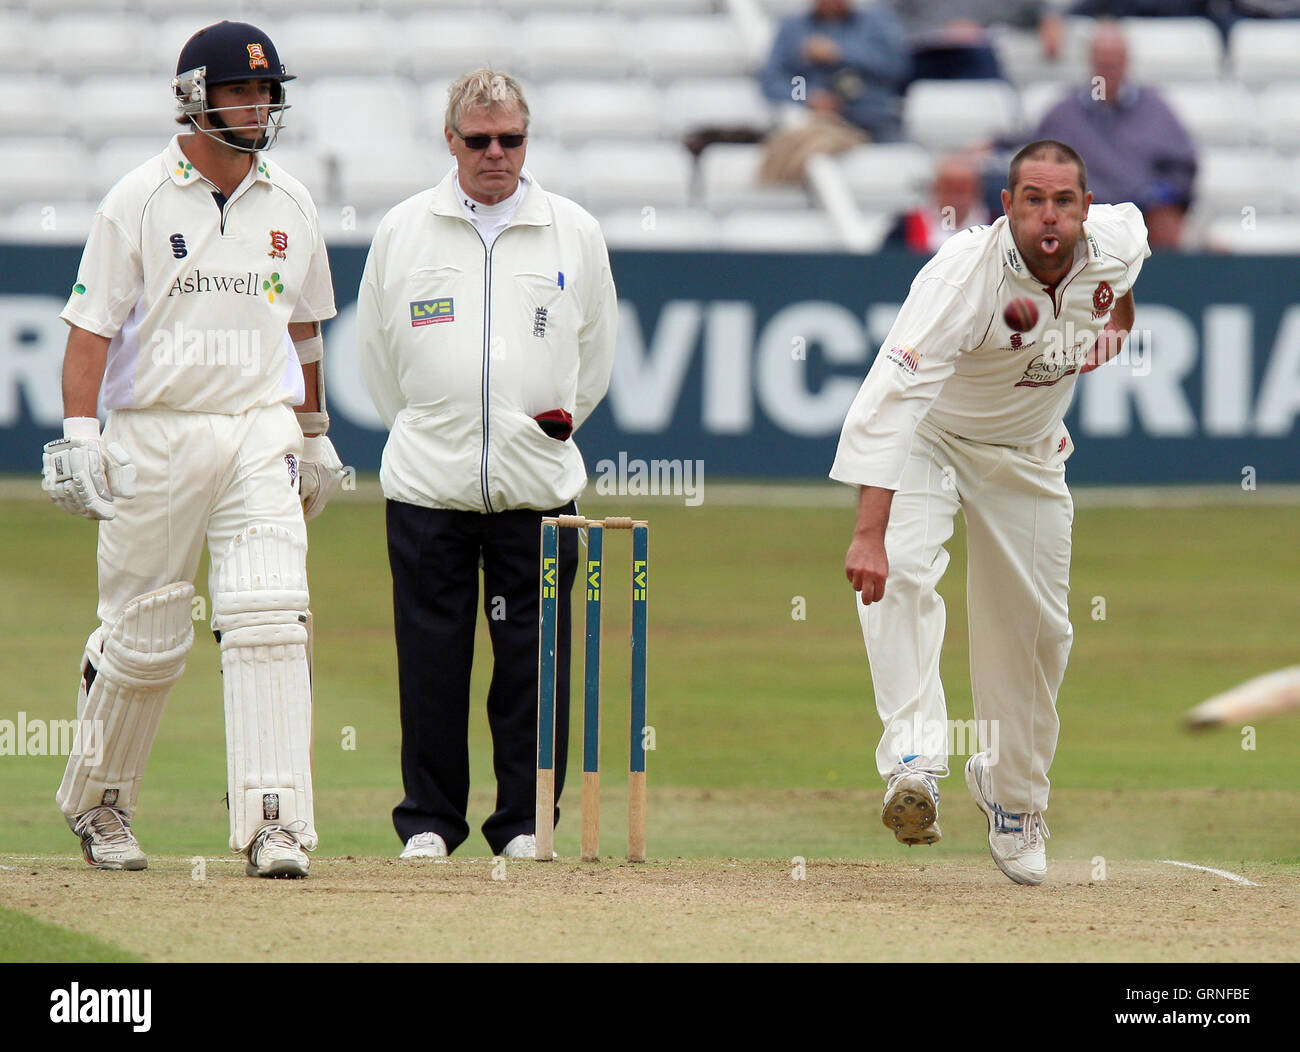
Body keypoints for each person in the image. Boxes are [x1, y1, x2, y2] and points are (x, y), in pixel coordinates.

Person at [41, 21, 345, 878]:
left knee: (270, 615)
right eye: (239, 91)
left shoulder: (291, 201)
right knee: (143, 632)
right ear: (193, 98)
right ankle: (101, 805)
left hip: (259, 424)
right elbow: (90, 329)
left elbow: (305, 327)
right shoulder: (136, 198)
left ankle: (273, 823)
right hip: (157, 430)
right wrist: (79, 432)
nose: (257, 104)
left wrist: (314, 436)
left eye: (265, 90)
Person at [831, 140, 1149, 885]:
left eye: (1063, 201)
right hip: (930, 437)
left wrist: (1117, 327)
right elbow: (889, 402)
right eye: (1032, 199)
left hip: (1028, 450)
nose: (1048, 215)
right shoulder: (962, 277)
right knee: (903, 575)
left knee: (1038, 632)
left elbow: (1125, 277)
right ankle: (913, 766)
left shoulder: (1116, 241)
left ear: (1085, 209)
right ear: (1005, 207)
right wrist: (869, 535)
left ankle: (1013, 800)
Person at [357, 69, 618, 861]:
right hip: (427, 487)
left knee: (532, 665)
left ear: (526, 140)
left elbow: (595, 359)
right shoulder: (405, 229)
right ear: (452, 141)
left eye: (511, 139)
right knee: (432, 660)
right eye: (480, 140)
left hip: (536, 486)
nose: (496, 153)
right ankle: (430, 822)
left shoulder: (571, 230)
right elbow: (376, 362)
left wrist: (539, 432)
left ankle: (526, 822)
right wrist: (436, 429)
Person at [1033, 21, 1197, 248]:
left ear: (1127, 61)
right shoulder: (1063, 113)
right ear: (1090, 61)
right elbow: (1036, 158)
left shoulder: (1157, 110)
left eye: (1114, 58)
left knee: (1167, 221)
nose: (1108, 64)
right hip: (1079, 212)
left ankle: (1161, 279)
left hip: (1141, 214)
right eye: (1102, 58)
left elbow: (1184, 166)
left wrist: (1160, 196)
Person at [758, 0, 911, 142]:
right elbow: (773, 79)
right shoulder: (792, 28)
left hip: (871, 120)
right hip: (813, 123)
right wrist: (808, 96)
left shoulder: (876, 23)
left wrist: (840, 53)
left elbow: (897, 69)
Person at [884, 151, 992, 254]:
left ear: (977, 191)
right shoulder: (906, 226)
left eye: (961, 191)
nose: (954, 198)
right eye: (947, 189)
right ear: (934, 189)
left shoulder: (995, 225)